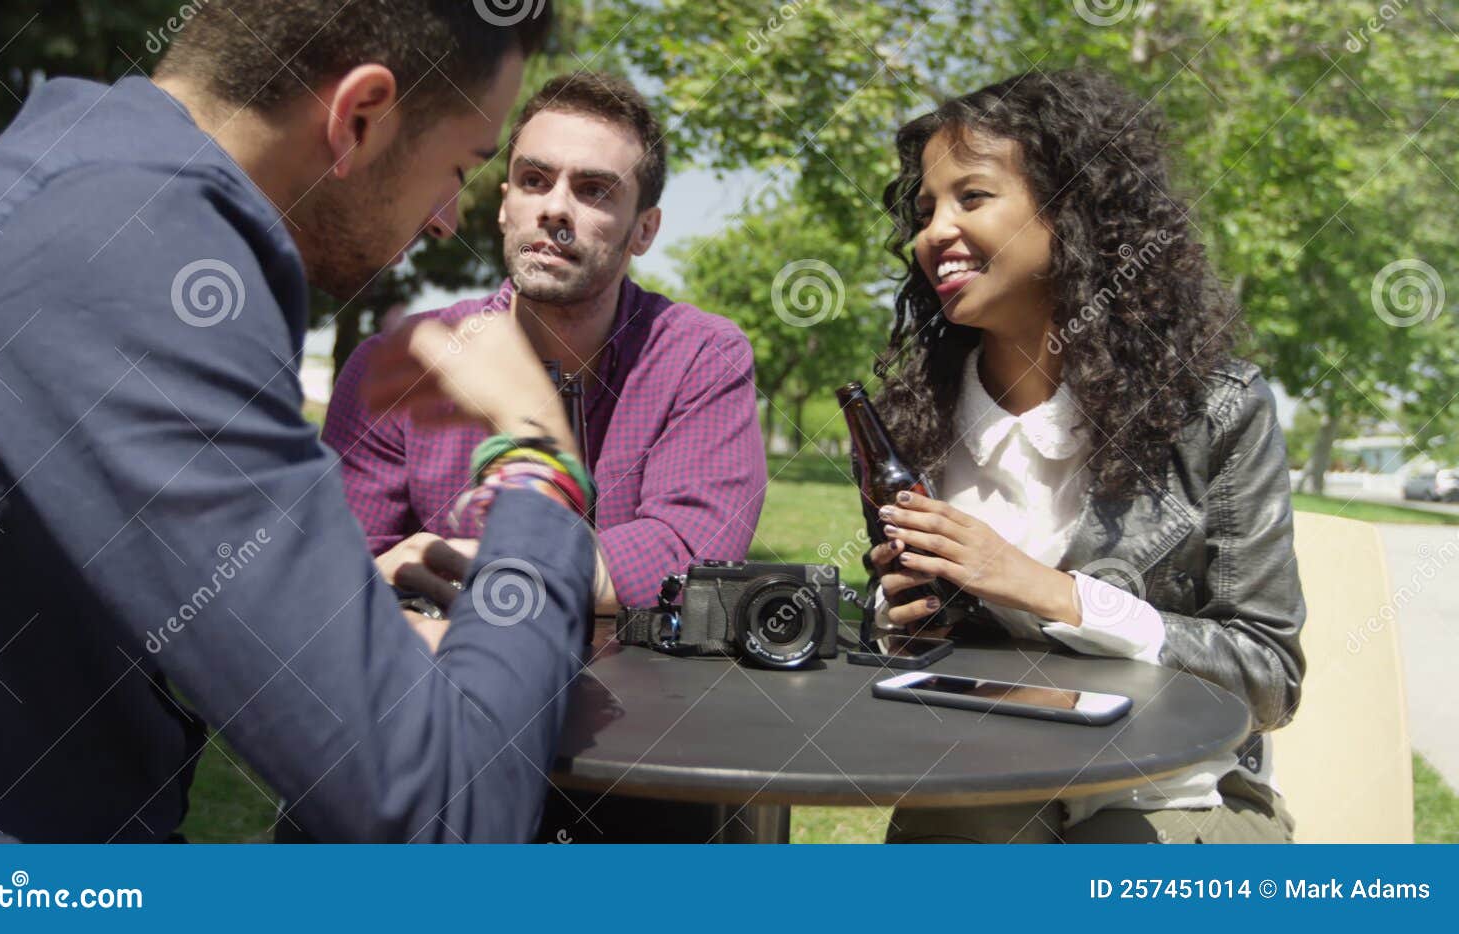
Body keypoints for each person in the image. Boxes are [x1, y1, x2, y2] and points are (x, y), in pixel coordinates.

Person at [0, 0, 595, 844]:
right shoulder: (127, 247)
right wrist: (539, 453)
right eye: (463, 167)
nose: (445, 219)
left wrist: (348, 623)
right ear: (359, 116)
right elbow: (444, 817)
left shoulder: (80, 189)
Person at [864, 70, 1305, 843]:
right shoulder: (914, 422)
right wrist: (898, 626)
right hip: (986, 774)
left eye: (971, 197)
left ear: (1072, 213)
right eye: (926, 208)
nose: (933, 232)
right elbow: (910, 654)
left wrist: (1056, 595)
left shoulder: (1217, 410)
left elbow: (1268, 676)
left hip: (1176, 787)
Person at [326, 71, 768, 618]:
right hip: (445, 690)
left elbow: (695, 556)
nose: (555, 209)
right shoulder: (400, 365)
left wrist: (482, 571)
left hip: (646, 701)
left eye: (594, 190)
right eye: (535, 180)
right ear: (505, 205)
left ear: (644, 231)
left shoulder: (701, 356)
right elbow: (338, 582)